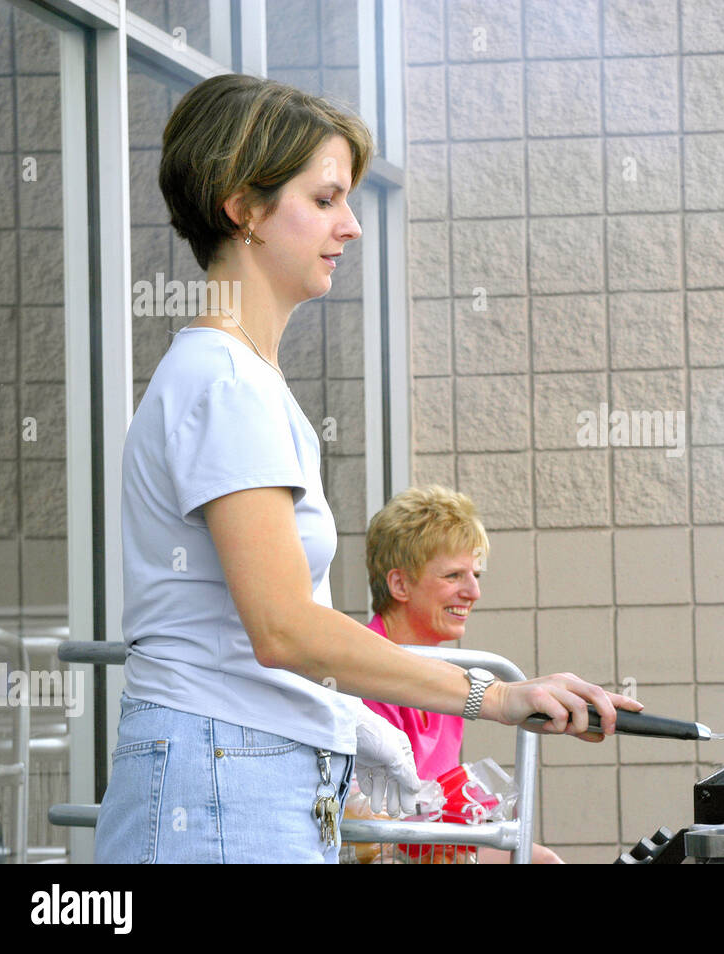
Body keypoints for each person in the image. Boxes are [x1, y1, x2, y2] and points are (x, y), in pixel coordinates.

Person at [94, 74, 637, 864]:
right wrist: (496, 695)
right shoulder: (226, 385)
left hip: (233, 770)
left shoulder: (238, 380)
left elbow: (252, 634)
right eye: (324, 199)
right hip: (218, 778)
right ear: (242, 207)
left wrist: (351, 722)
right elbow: (282, 628)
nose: (350, 226)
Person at [356, 485, 562, 863]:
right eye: (453, 575)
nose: (474, 592)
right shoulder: (362, 669)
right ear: (400, 584)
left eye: (476, 575)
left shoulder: (445, 675)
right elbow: (370, 832)